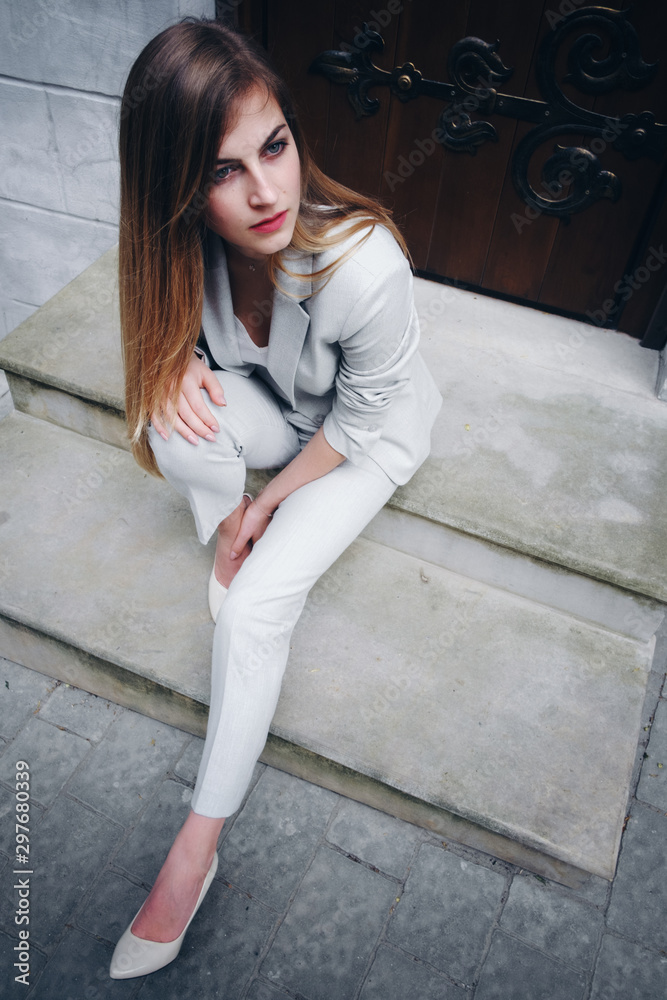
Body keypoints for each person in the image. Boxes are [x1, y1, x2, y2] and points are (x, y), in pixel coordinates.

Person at [110, 17, 442, 979]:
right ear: (179, 189)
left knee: (256, 609)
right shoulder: (183, 250)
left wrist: (265, 508)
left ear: (295, 136)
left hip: (364, 439)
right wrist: (174, 365)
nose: (266, 192)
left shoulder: (364, 265)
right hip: (287, 411)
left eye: (275, 146)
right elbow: (187, 355)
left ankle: (195, 848)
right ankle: (222, 537)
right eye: (223, 171)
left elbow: (359, 421)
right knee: (169, 420)